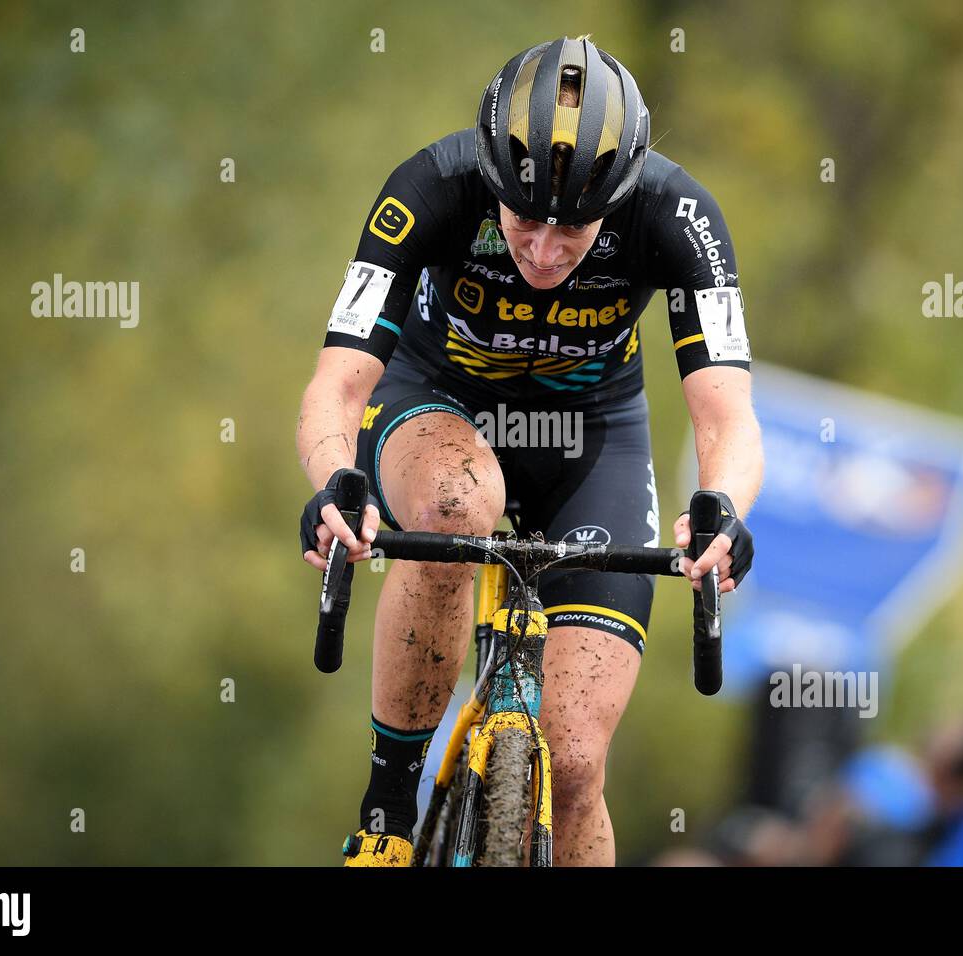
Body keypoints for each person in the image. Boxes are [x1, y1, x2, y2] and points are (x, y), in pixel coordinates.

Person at [296, 35, 763, 866]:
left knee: (577, 762)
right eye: (522, 221)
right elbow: (336, 385)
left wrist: (722, 506)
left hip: (593, 439)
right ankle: (387, 812)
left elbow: (727, 413)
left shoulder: (681, 214)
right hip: (436, 403)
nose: (544, 253)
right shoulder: (430, 186)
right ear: (490, 182)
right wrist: (335, 479)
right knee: (455, 504)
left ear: (617, 202)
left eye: (574, 231)